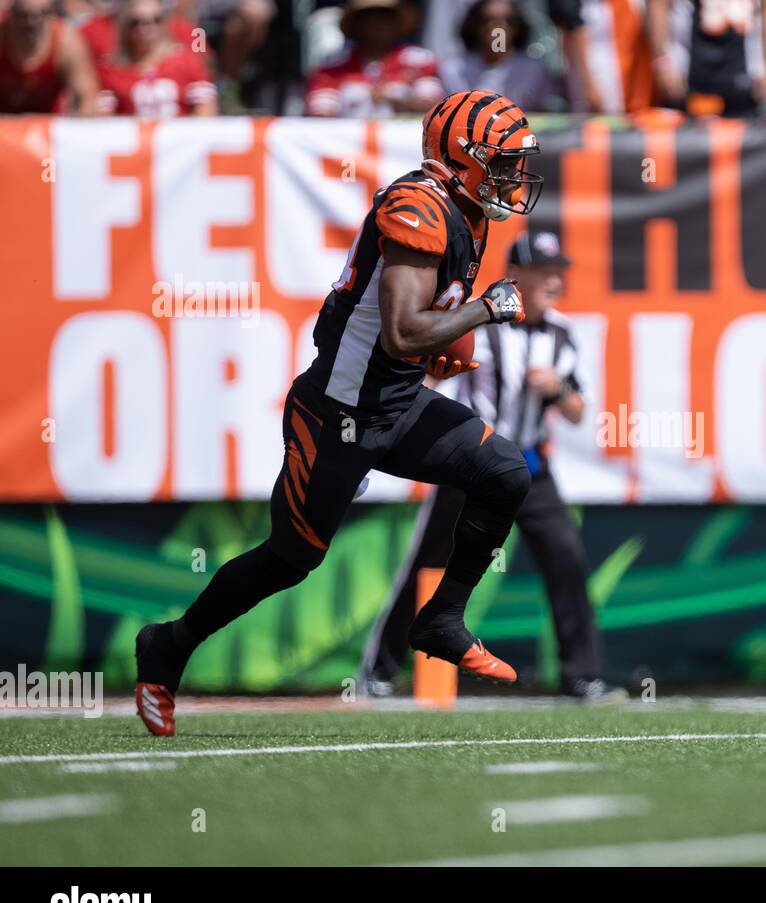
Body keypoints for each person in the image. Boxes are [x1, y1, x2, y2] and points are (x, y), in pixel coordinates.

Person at [134, 90, 544, 736]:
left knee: (504, 471)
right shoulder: (418, 206)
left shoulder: (467, 212)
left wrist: (449, 344)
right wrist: (483, 312)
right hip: (337, 414)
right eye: (500, 162)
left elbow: (415, 339)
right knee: (291, 559)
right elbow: (403, 335)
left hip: (397, 404)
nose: (511, 178)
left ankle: (439, 619)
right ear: (460, 157)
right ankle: (169, 645)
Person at [361, 230, 625, 703]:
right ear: (517, 276)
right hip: (473, 463)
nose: (554, 282)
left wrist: (558, 390)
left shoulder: (563, 334)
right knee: (429, 561)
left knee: (566, 559)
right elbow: (429, 371)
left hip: (530, 467)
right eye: (544, 273)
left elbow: (579, 410)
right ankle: (380, 669)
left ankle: (581, 675)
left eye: (558, 273)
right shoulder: (480, 326)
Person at [305, 0, 442, 118]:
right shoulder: (332, 66)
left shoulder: (420, 60)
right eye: (369, 19)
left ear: (397, 23)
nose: (377, 26)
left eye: (385, 18)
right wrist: (361, 101)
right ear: (356, 25)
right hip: (348, 145)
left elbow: (436, 108)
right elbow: (319, 115)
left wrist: (396, 101)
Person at [645, 0, 766, 117]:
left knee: (741, 139)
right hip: (689, 73)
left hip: (741, 72)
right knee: (690, 140)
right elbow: (658, 4)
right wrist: (663, 62)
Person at [95, 0, 218, 115]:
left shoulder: (187, 60)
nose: (145, 28)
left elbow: (206, 108)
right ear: (125, 26)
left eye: (155, 20)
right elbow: (103, 117)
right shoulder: (111, 67)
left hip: (182, 134)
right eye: (136, 22)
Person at [438, 0, 558, 114]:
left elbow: (545, 112)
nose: (499, 27)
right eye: (488, 19)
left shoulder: (535, 69)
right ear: (474, 25)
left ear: (519, 26)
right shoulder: (453, 69)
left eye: (509, 20)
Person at [0, 0, 101, 114]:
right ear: (11, 14)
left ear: (50, 15)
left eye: (39, 15)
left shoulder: (65, 41)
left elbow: (86, 96)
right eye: (23, 15)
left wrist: (82, 124)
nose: (31, 22)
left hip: (49, 124)